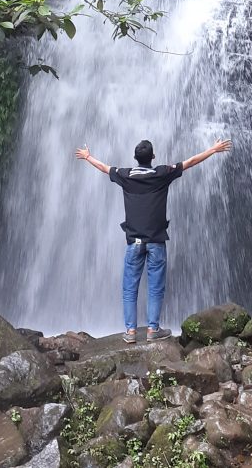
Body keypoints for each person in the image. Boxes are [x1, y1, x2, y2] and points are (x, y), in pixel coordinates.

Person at [75, 137, 232, 344]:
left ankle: (130, 333)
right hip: (156, 241)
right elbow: (191, 161)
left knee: (130, 287)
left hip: (134, 243)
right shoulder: (161, 174)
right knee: (156, 287)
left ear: (135, 158)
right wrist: (213, 149)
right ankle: (152, 330)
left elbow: (105, 168)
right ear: (153, 157)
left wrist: (88, 157)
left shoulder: (126, 175)